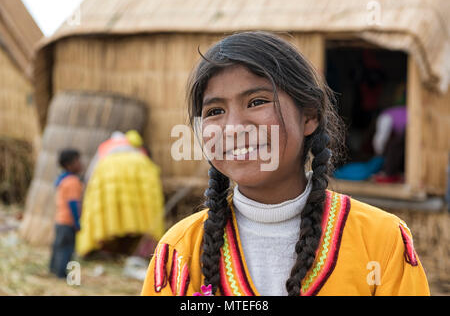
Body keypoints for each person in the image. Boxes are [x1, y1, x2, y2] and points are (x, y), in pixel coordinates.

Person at [141, 32, 429, 296]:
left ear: (309, 117)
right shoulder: (180, 253)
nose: (232, 128)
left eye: (256, 102)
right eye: (215, 111)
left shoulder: (382, 242)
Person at [76, 130, 164, 258]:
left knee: (110, 215)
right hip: (139, 173)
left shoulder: (106, 148)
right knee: (140, 215)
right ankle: (144, 251)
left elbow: (91, 172)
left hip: (107, 176)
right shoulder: (138, 152)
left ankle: (104, 248)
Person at [49, 149, 83, 278]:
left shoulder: (62, 179)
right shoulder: (73, 182)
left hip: (60, 219)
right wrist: (77, 222)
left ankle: (53, 269)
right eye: (77, 161)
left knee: (58, 246)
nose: (81, 164)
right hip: (68, 221)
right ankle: (61, 274)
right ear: (69, 165)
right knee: (67, 248)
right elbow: (73, 204)